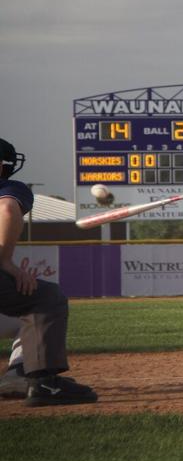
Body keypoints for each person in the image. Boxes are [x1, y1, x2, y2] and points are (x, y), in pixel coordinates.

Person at [0, 136, 99, 406]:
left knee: (24, 317)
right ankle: (44, 383)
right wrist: (5, 260)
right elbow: (7, 208)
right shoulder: (10, 188)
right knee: (44, 299)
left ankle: (18, 372)